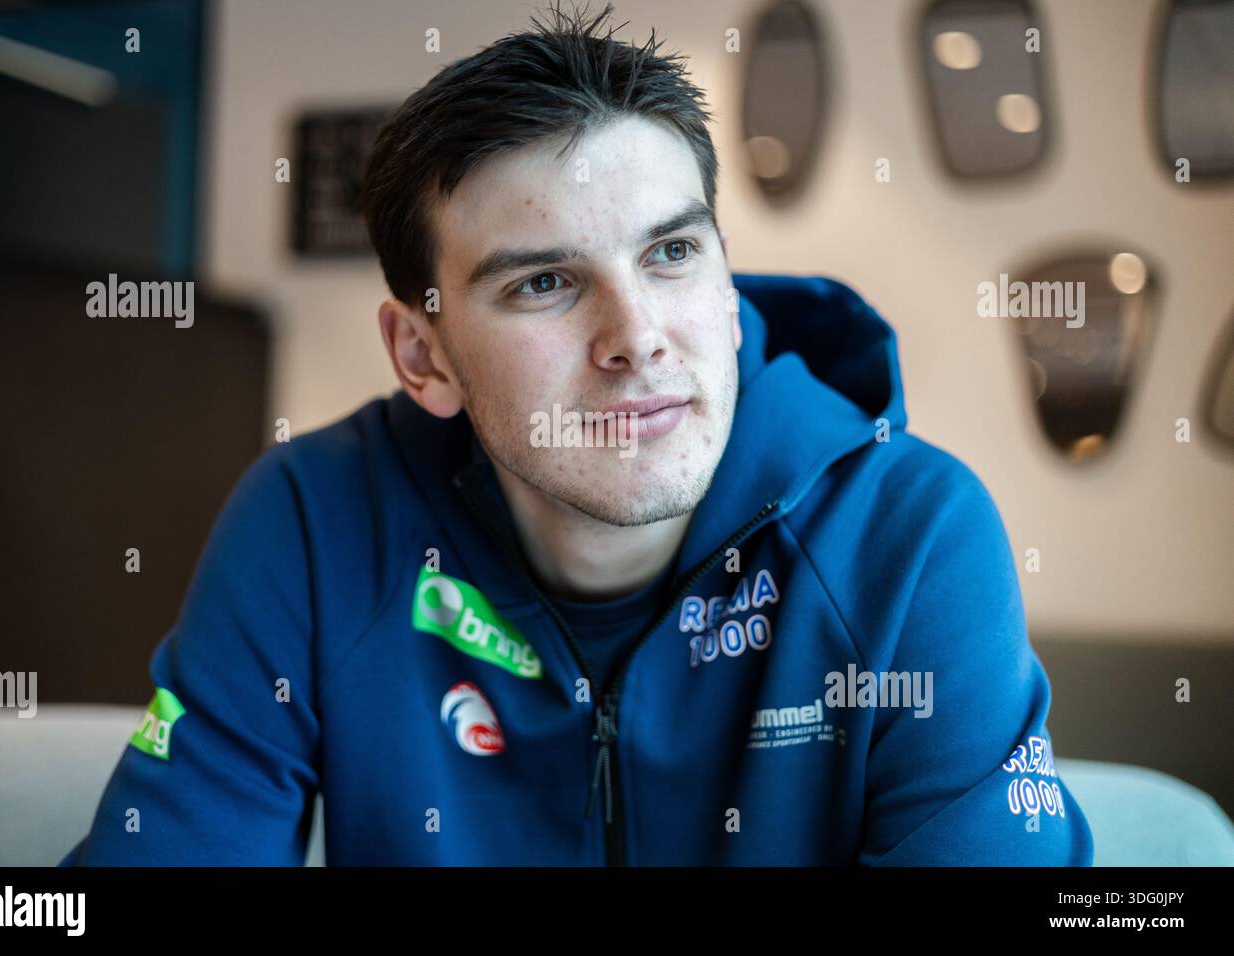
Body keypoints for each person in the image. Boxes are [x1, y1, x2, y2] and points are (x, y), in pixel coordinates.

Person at [60, 1, 1093, 866]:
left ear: (725, 281)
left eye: (673, 252)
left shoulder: (907, 535)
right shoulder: (310, 521)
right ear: (423, 356)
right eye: (545, 282)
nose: (636, 337)